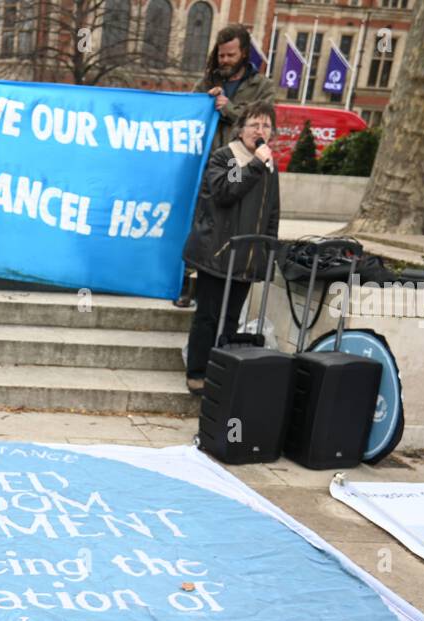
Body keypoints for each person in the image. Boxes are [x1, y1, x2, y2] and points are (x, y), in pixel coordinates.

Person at [180, 102, 280, 397]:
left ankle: (219, 370)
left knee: (230, 319)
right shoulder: (227, 158)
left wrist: (268, 251)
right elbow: (226, 191)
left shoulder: (268, 165)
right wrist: (256, 165)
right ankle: (197, 372)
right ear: (240, 129)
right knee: (208, 316)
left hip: (248, 259)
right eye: (254, 126)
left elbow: (272, 211)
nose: (260, 132)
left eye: (266, 126)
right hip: (218, 254)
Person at [176, 24, 277, 310]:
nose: (224, 60)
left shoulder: (262, 86)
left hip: (239, 164)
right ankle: (186, 284)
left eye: (230, 55)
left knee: (227, 224)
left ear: (244, 53)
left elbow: (263, 125)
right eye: (221, 55)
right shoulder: (207, 79)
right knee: (199, 223)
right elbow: (188, 113)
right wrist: (204, 100)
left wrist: (228, 107)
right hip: (207, 164)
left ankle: (217, 286)